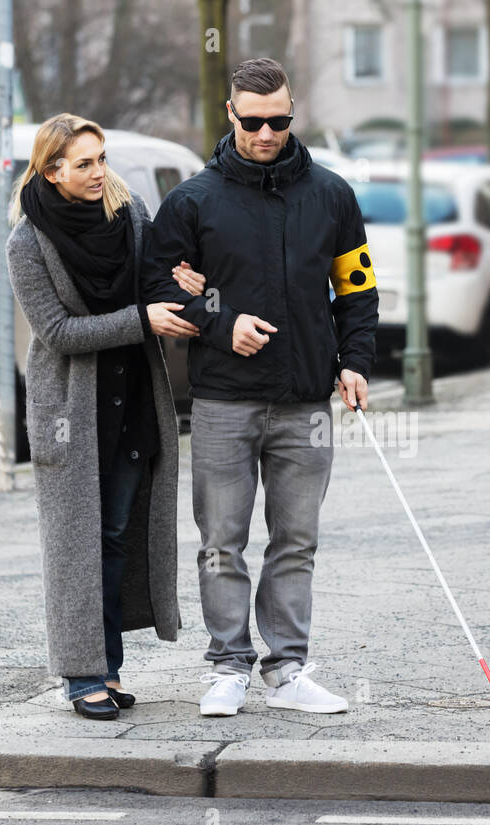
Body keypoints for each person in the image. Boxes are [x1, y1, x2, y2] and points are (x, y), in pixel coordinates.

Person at [142, 58, 379, 717]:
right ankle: (227, 667)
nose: (267, 132)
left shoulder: (332, 196)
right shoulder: (193, 201)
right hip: (222, 401)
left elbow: (357, 292)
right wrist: (221, 325)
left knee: (295, 540)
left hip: (306, 401)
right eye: (254, 122)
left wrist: (356, 362)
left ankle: (288, 669)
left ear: (291, 112)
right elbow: (157, 291)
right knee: (222, 540)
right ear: (231, 114)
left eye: (280, 120)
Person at [5, 113, 206, 720]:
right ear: (52, 170)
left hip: (133, 401)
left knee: (115, 537)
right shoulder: (26, 241)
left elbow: (154, 283)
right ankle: (80, 675)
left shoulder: (130, 214)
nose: (98, 172)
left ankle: (109, 667)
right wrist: (144, 319)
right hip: (71, 409)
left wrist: (180, 282)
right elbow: (59, 333)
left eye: (101, 158)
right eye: (84, 163)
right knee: (75, 547)